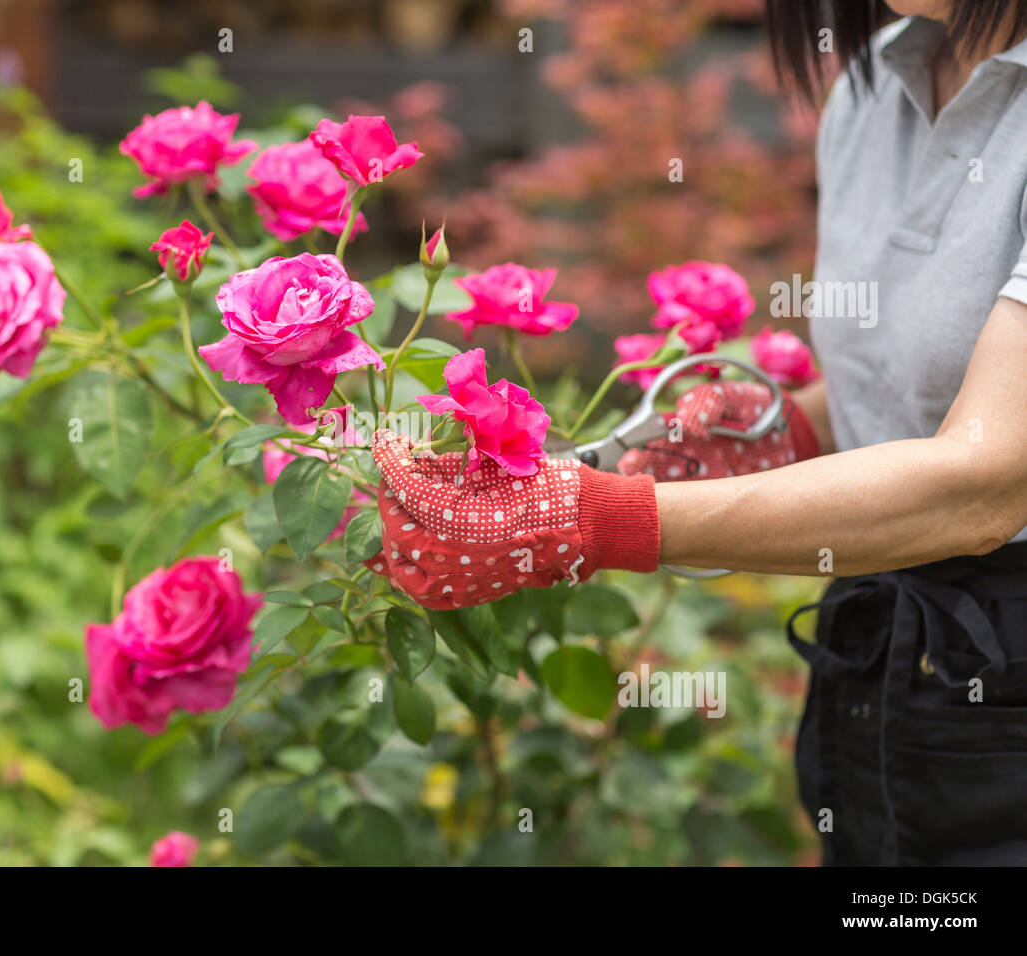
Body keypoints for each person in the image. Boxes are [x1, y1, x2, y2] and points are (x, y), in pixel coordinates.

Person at [366, 1, 1027, 865]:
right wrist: (776, 425)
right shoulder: (874, 89)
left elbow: (987, 481)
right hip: (884, 652)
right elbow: (911, 383)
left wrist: (594, 519)